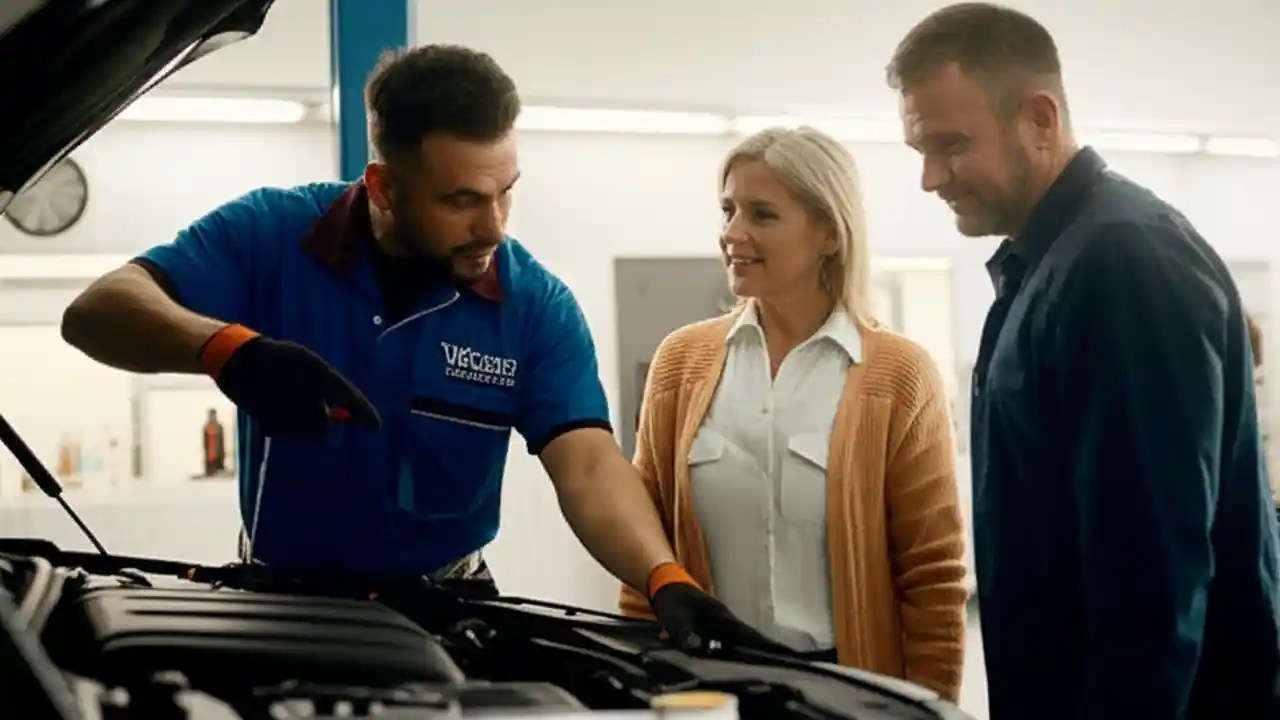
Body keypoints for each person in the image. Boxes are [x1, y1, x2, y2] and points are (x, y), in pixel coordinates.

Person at [59, 43, 772, 653]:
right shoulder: (271, 236)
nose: (492, 225)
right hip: (280, 601)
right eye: (460, 200)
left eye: (506, 193)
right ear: (384, 186)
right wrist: (226, 350)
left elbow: (586, 465)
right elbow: (99, 309)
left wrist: (663, 576)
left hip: (449, 609)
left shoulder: (534, 305)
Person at [886, 4, 1280, 718]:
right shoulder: (1057, 263)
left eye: (949, 145)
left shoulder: (1125, 263)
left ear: (1040, 119)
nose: (930, 177)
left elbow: (1150, 578)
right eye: (920, 150)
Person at [617, 126, 969, 700]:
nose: (733, 233)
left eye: (762, 214)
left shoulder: (900, 376)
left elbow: (933, 579)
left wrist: (927, 709)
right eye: (727, 210)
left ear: (829, 232)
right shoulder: (681, 363)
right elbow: (644, 549)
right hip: (707, 687)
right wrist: (639, 680)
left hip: (845, 690)